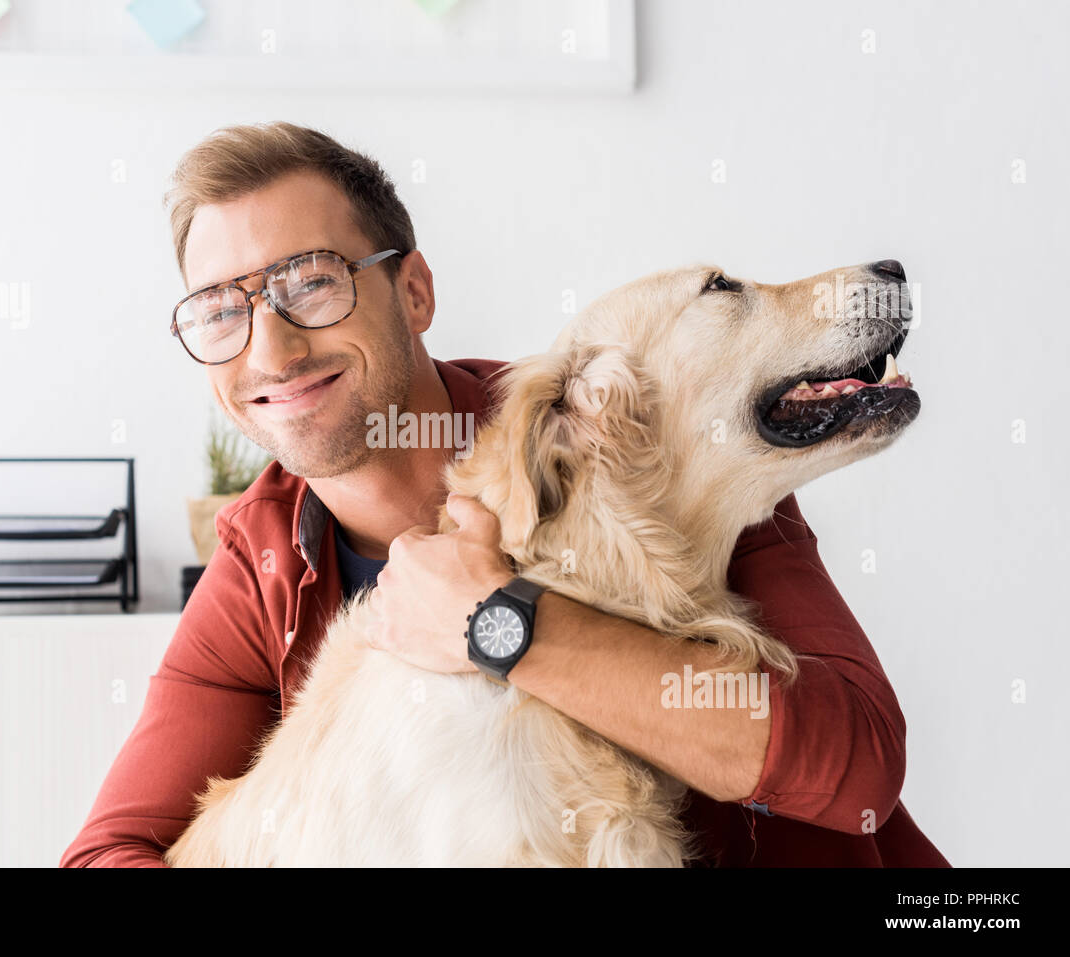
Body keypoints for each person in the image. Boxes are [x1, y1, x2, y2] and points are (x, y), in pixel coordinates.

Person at [60, 121, 948, 867]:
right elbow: (105, 854)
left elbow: (859, 762)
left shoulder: (648, 451)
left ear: (414, 290)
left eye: (312, 281)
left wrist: (500, 626)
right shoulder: (260, 556)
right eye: (221, 308)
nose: (272, 349)